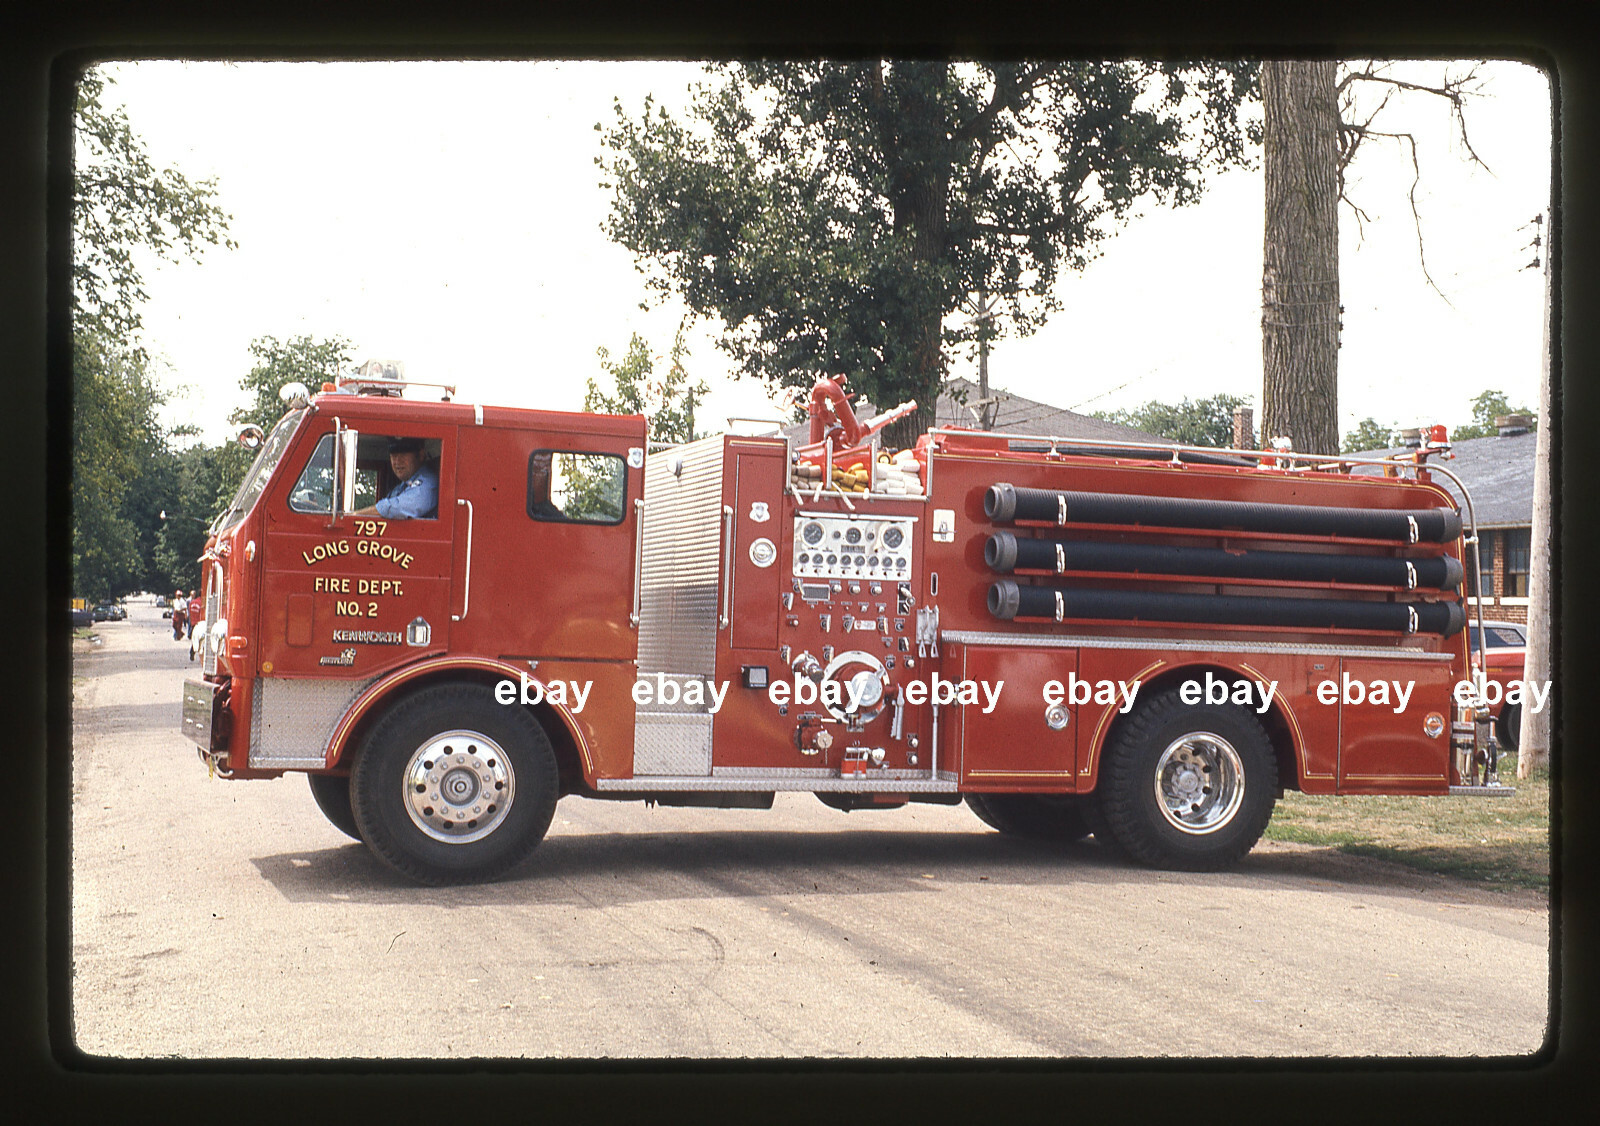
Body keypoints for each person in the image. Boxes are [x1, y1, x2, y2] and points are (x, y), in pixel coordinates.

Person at [353, 437, 438, 520]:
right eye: (394, 455)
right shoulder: (401, 487)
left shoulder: (428, 482)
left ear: (421, 455)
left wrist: (353, 515)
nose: (397, 461)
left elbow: (397, 508)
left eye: (403, 455)